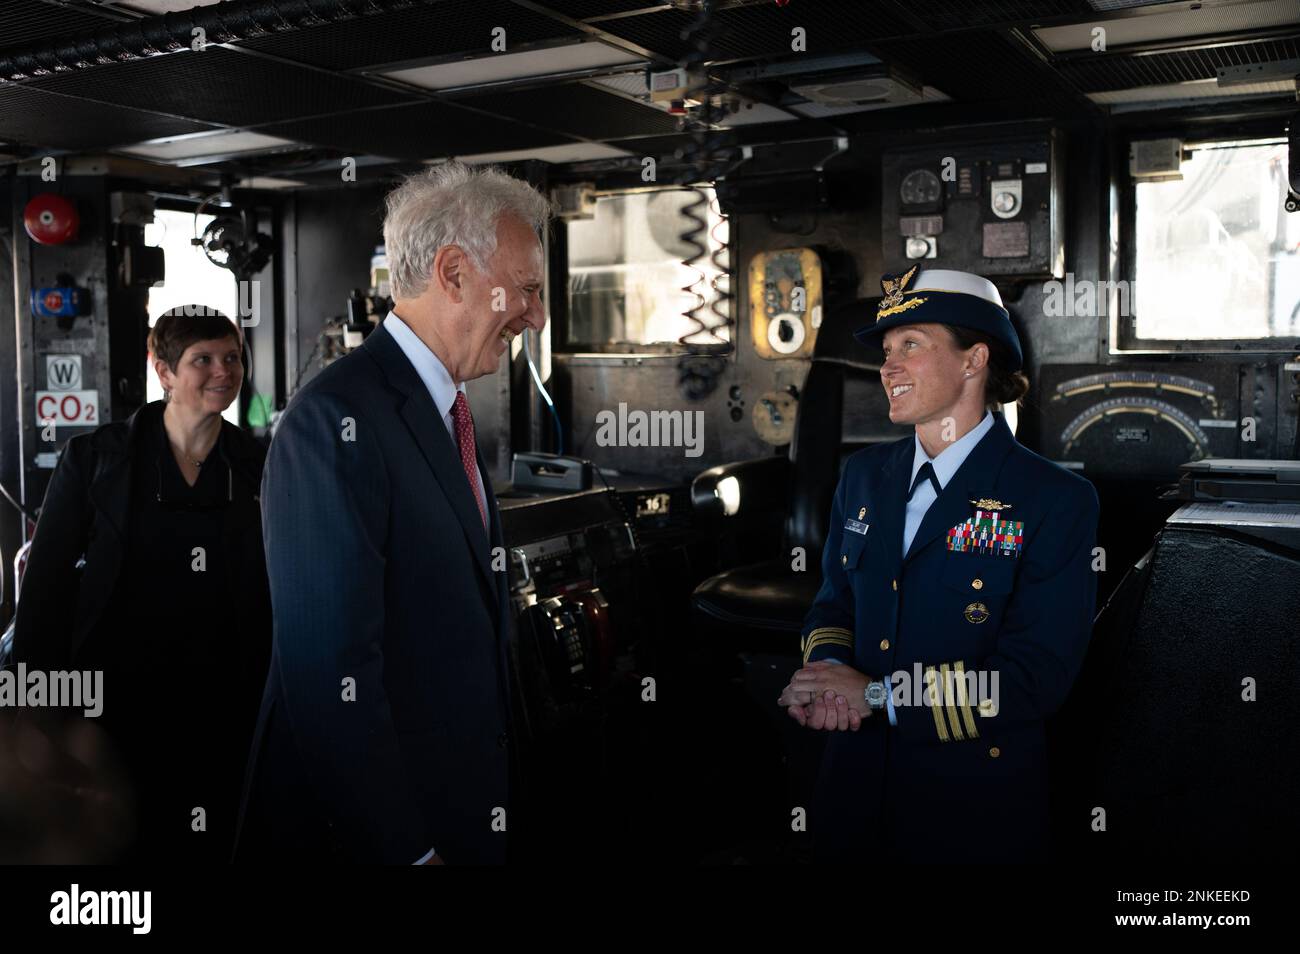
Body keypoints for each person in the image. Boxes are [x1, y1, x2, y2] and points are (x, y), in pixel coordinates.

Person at [236, 162, 550, 865]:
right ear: (453, 273)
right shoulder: (334, 422)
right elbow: (329, 677)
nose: (537, 315)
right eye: (526, 290)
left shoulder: (444, 411)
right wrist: (408, 851)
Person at [778, 266, 1100, 863]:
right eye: (885, 350)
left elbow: (1035, 677)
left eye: (910, 346)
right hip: (851, 787)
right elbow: (834, 604)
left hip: (969, 806)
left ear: (974, 360)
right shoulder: (865, 477)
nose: (887, 366)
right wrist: (825, 674)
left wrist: (877, 696)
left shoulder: (1052, 499)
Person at [12, 307, 271, 863]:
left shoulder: (258, 464)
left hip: (224, 702)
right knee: (129, 842)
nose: (223, 371)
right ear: (164, 371)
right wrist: (38, 715)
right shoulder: (97, 459)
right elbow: (46, 591)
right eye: (203, 360)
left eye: (232, 358)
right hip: (120, 705)